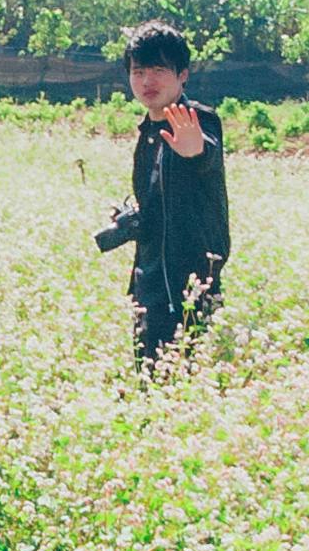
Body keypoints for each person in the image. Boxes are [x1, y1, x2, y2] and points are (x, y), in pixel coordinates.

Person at [97, 19, 230, 367]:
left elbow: (206, 152)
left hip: (189, 283)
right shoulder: (149, 130)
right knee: (149, 377)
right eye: (138, 71)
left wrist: (197, 150)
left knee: (181, 379)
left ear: (183, 74)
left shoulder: (198, 119)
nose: (147, 81)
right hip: (149, 279)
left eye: (159, 69)